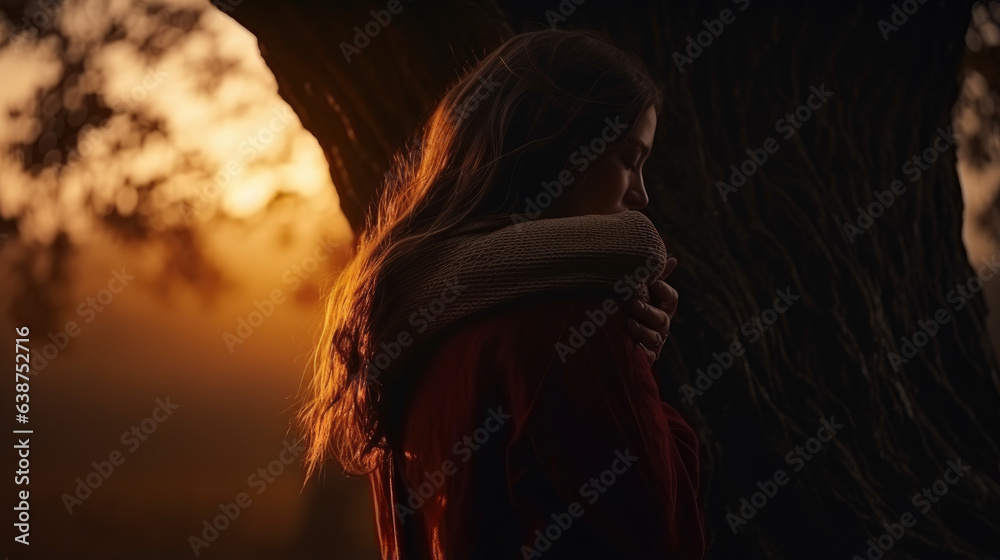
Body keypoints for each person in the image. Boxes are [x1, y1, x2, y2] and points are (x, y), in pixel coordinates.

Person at [299, 29, 706, 559]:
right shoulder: (570, 324)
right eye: (629, 159)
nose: (641, 194)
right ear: (558, 149)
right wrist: (631, 372)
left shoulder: (405, 333)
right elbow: (654, 535)